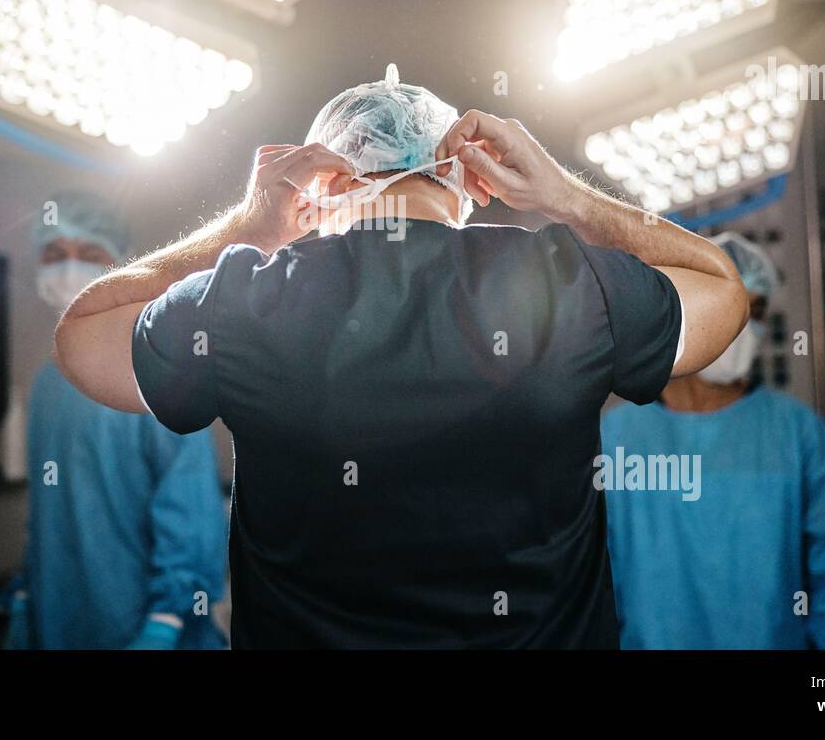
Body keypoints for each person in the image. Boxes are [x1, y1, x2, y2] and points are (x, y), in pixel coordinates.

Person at [53, 66, 748, 648]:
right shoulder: (562, 284)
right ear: (469, 180)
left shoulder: (246, 301)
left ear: (321, 186)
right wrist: (567, 198)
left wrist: (249, 227)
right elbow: (723, 286)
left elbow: (81, 334)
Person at [601, 232, 825, 649]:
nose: (742, 327)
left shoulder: (797, 435)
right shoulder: (615, 441)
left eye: (754, 313)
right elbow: (579, 587)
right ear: (681, 310)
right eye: (729, 306)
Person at [9, 190, 226, 650]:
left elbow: (189, 514)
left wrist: (166, 621)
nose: (69, 268)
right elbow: (50, 516)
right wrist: (28, 592)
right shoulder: (49, 382)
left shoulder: (158, 373)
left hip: (145, 626)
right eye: (54, 254)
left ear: (121, 269)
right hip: (60, 619)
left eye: (90, 254)